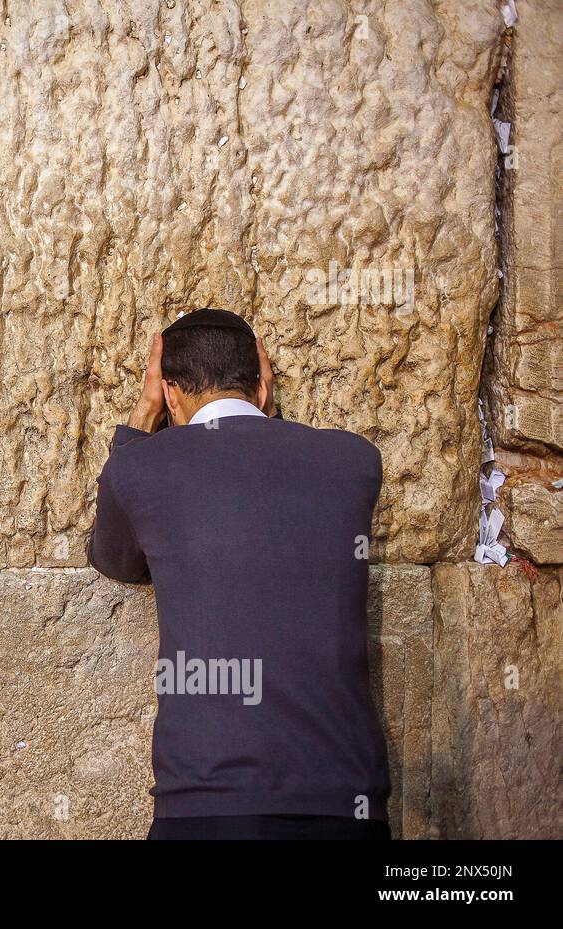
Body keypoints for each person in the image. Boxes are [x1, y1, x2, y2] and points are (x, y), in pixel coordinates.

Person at [88, 308, 391, 840]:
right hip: (345, 800)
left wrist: (140, 421)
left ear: (170, 392)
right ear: (262, 383)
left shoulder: (138, 469)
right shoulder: (354, 461)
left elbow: (116, 558)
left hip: (206, 802)